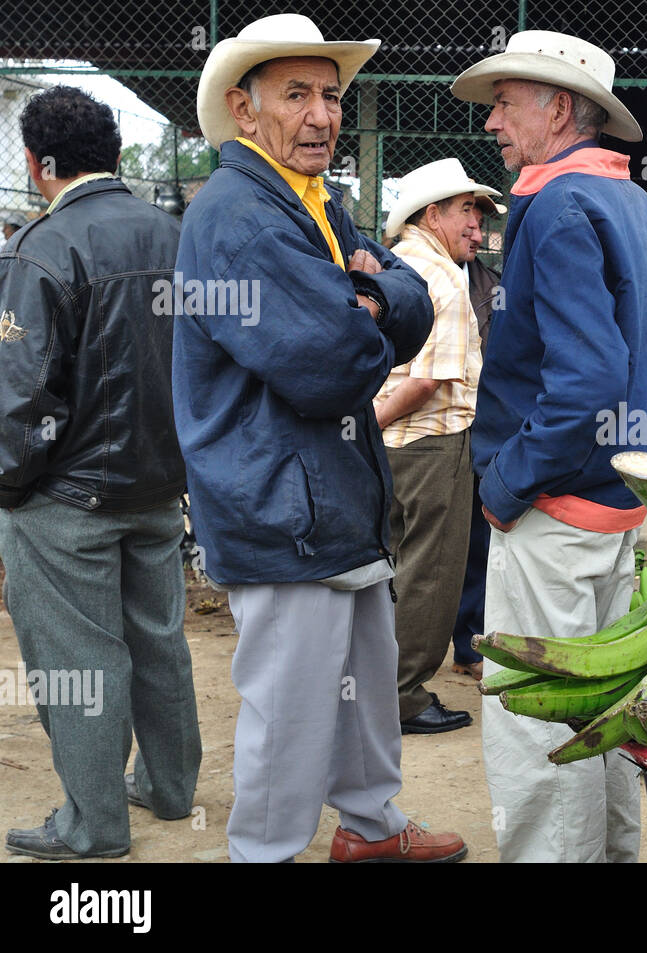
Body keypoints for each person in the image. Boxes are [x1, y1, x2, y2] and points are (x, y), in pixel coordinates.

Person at [172, 13, 464, 863]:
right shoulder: (239, 216)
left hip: (333, 497)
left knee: (365, 687)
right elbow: (331, 361)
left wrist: (365, 298)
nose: (322, 114)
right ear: (244, 107)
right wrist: (365, 299)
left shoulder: (313, 199)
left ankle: (371, 828)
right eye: (296, 94)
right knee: (291, 707)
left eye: (331, 95)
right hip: (282, 505)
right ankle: (263, 852)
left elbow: (414, 298)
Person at [451, 29, 647, 863]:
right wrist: (641, 467)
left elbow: (586, 378)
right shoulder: (642, 207)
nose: (491, 121)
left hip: (554, 509)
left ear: (558, 109)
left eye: (505, 101)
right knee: (604, 719)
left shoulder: (556, 204)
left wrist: (505, 481)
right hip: (620, 505)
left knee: (538, 730)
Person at [0, 86, 201, 860]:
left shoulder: (38, 248)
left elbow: (19, 400)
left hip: (66, 498)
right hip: (159, 483)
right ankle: (171, 785)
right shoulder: (175, 237)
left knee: (76, 661)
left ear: (35, 163)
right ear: (117, 156)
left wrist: (12, 491)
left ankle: (93, 826)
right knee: (158, 640)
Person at [376, 158, 503, 733]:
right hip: (434, 446)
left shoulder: (393, 265)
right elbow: (428, 382)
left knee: (393, 566)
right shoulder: (447, 283)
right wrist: (373, 421)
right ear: (432, 215)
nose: (477, 228)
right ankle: (403, 697)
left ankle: (375, 683)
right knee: (431, 573)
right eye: (468, 214)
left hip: (392, 449)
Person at [450, 195, 504, 682]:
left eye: (479, 219)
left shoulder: (492, 286)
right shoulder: (402, 273)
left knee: (477, 538)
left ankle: (469, 644)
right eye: (465, 215)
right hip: (421, 431)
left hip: (479, 427)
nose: (475, 228)